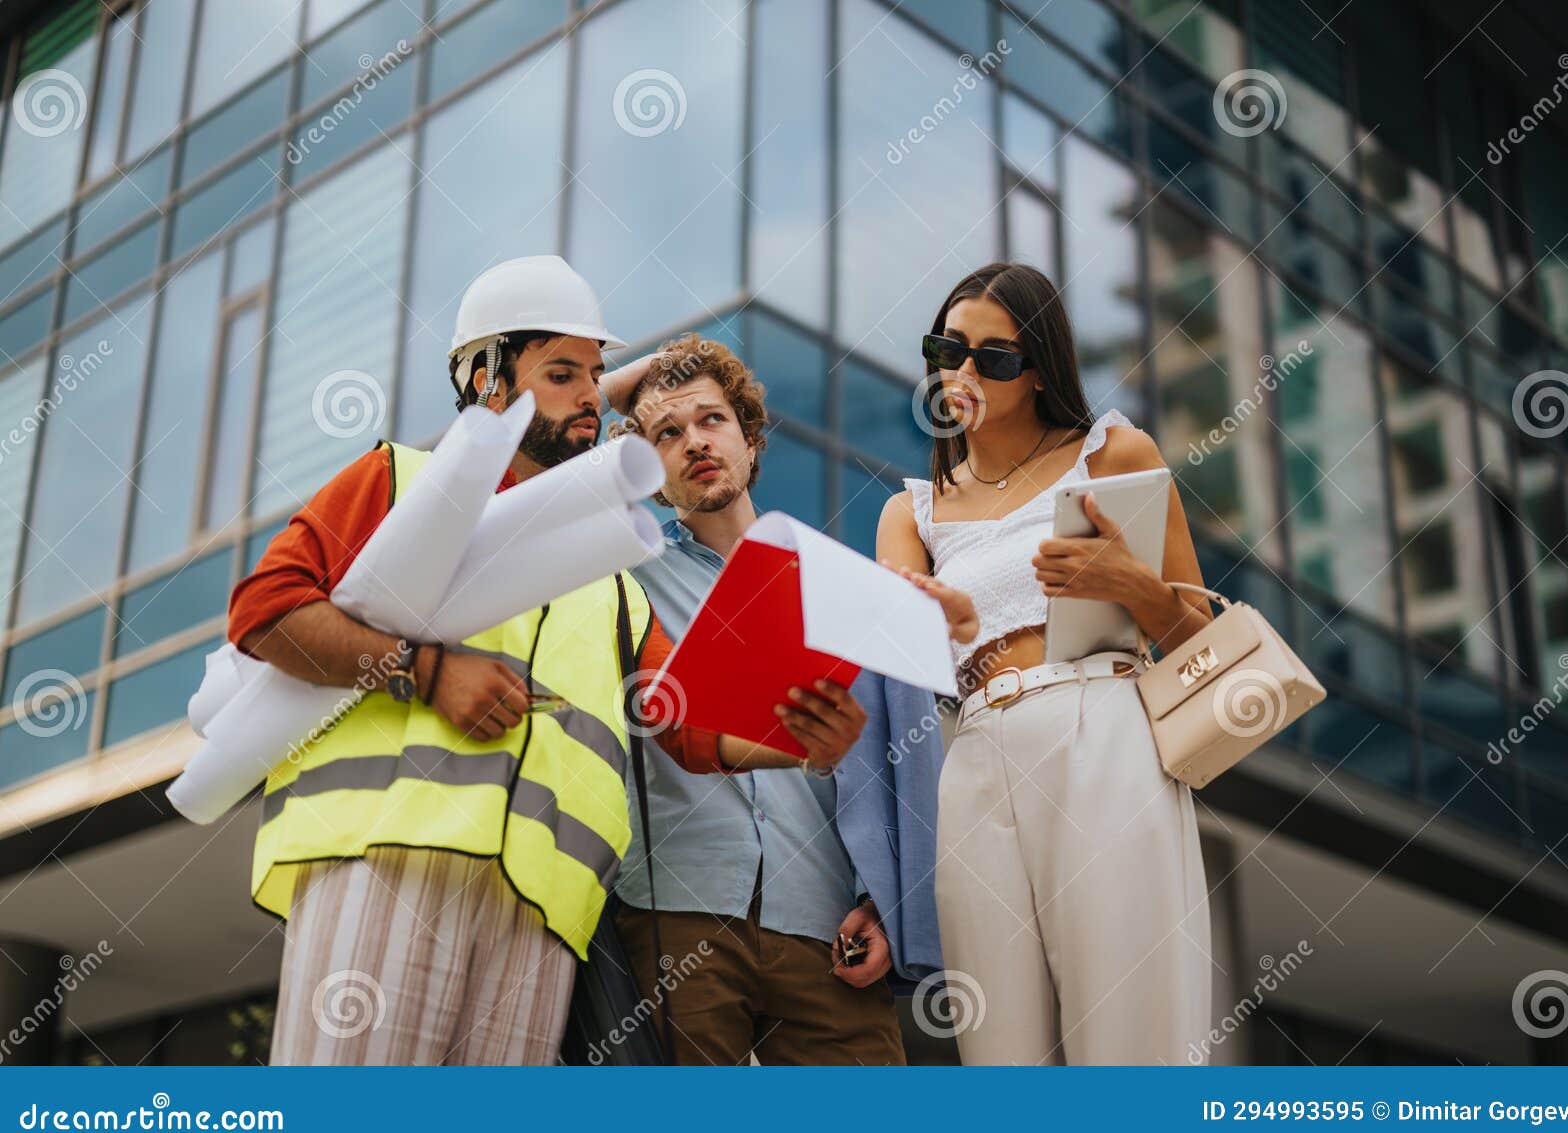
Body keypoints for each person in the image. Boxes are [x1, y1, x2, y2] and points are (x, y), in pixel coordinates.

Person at [231, 257, 865, 1065]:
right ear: (487, 379)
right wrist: (428, 673)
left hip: (540, 910)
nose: (589, 400)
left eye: (597, 377)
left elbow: (693, 732)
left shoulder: (606, 572)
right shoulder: (401, 481)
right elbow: (266, 609)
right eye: (562, 374)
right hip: (390, 866)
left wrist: (808, 742)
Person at [876, 262, 1214, 1065]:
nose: (963, 373)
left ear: (1037, 374)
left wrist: (1129, 584)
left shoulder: (1110, 453)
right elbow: (891, 669)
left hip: (1101, 726)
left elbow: (1199, 636)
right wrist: (929, 627)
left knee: (1130, 1023)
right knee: (1002, 1050)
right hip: (976, 755)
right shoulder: (910, 511)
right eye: (948, 348)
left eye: (995, 358)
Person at [600, 335, 944, 1065]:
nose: (693, 442)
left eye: (710, 421)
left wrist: (887, 901)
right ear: (650, 475)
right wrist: (621, 387)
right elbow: (536, 482)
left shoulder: (838, 587)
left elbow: (897, 768)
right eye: (666, 434)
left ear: (751, 442)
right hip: (677, 911)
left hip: (824, 926)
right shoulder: (624, 574)